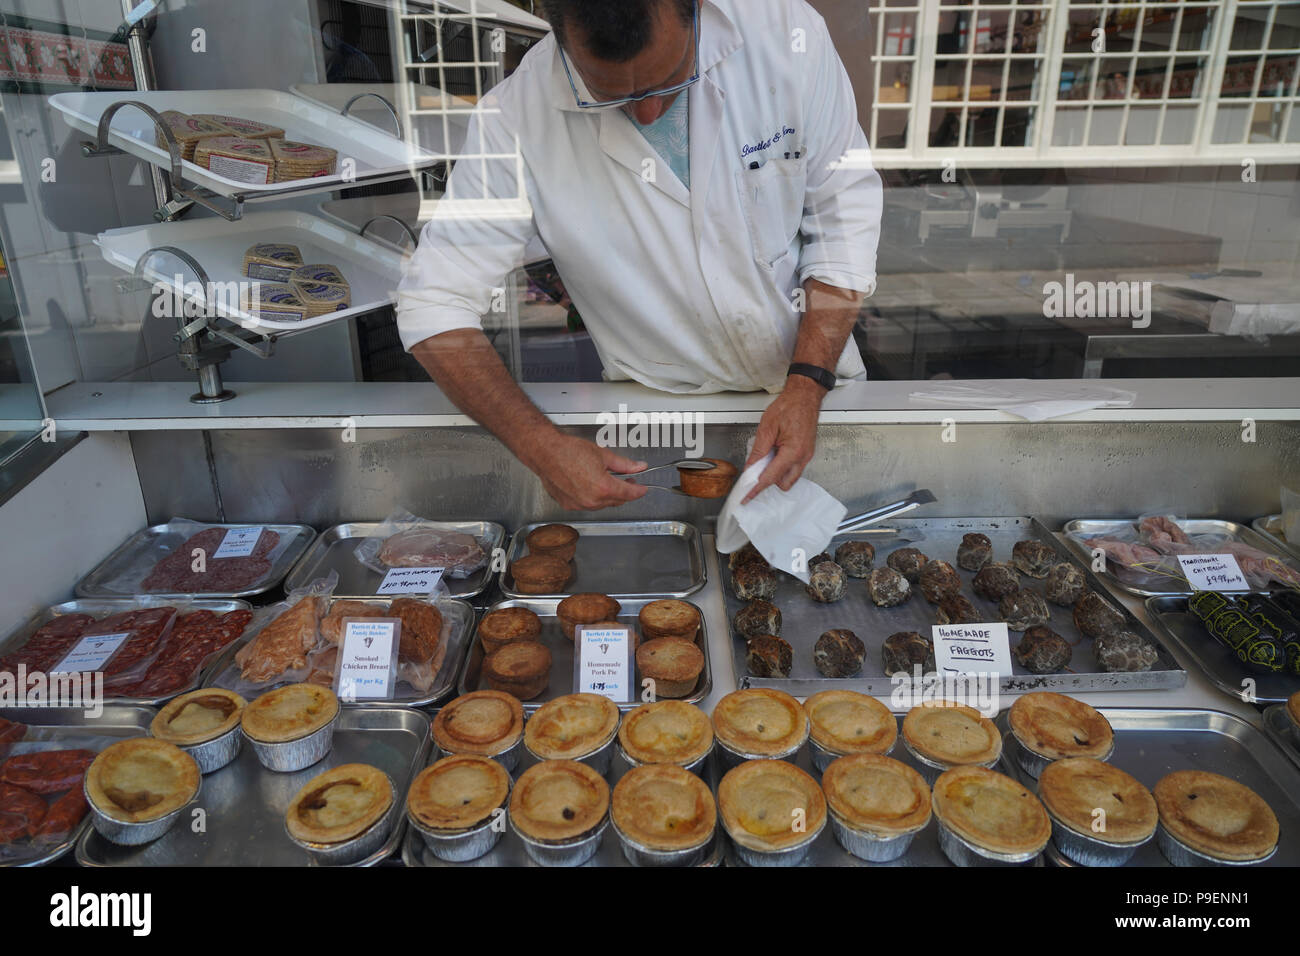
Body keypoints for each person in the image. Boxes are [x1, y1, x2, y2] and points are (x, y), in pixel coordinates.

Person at [397, 0, 882, 510]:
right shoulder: (514, 118)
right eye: (607, 96)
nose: (648, 112)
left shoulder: (785, 34)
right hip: (656, 416)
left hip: (816, 388)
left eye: (670, 79)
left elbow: (842, 215)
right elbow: (435, 303)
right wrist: (538, 445)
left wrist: (808, 383)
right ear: (559, 37)